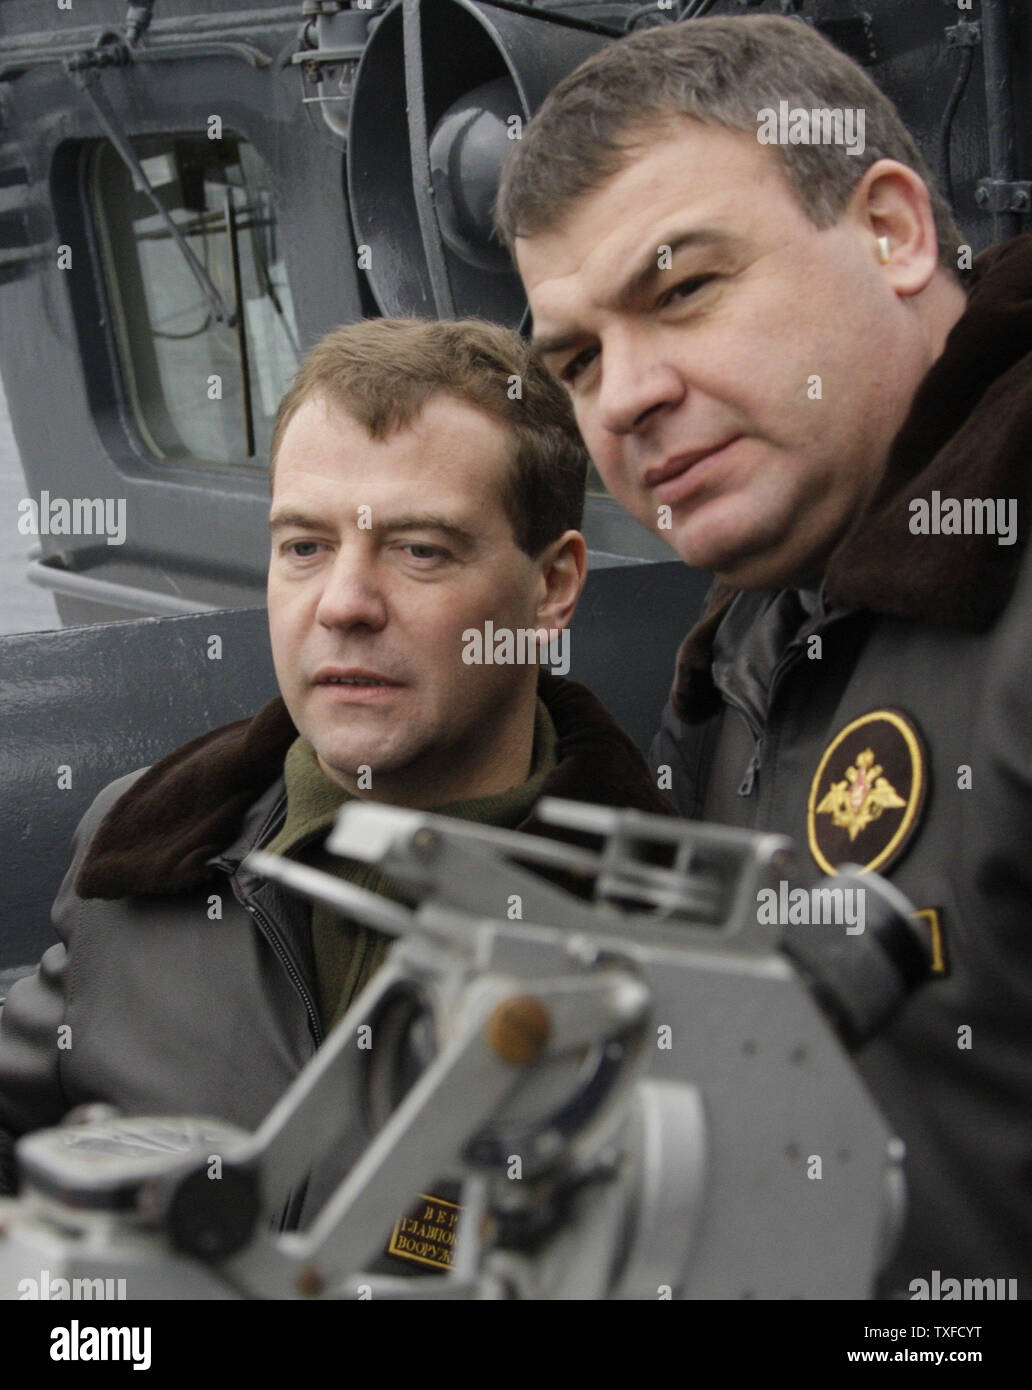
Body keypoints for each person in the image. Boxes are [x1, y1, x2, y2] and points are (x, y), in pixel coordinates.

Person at [496, 13, 1032, 1297]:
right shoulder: (755, 644)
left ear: (892, 232)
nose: (622, 396)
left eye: (682, 288)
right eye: (576, 358)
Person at [0, 317, 676, 1256]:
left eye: (421, 550)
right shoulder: (142, 856)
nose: (344, 605)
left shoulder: (678, 958)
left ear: (552, 587)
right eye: (304, 547)